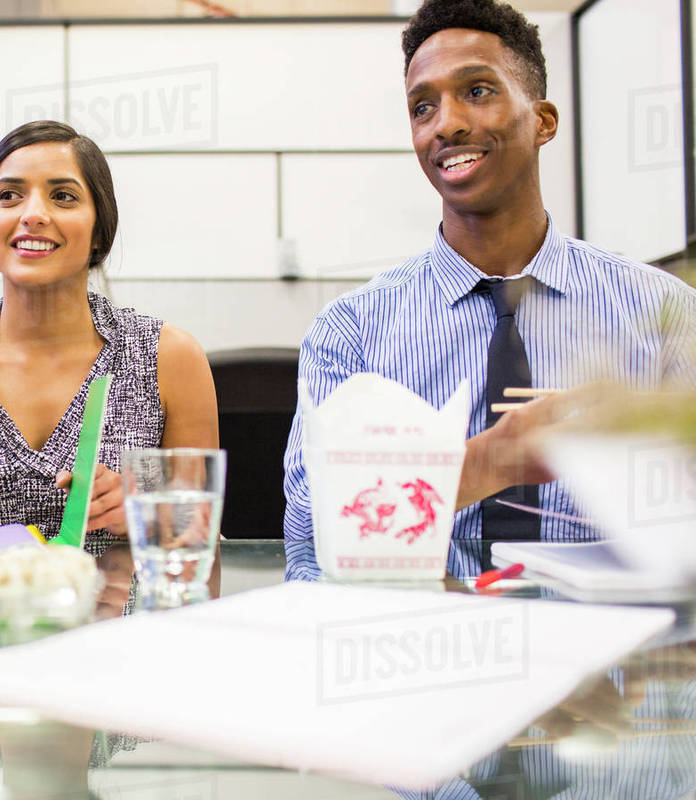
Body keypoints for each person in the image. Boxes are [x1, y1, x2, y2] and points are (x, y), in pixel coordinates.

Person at [283, 0, 696, 581]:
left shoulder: (662, 310)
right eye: (422, 107)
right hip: (418, 646)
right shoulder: (351, 329)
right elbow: (308, 539)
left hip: (617, 649)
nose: (446, 123)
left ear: (544, 121)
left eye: (477, 91)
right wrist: (484, 463)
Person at [0, 120, 221, 593]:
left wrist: (145, 511)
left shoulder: (169, 358)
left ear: (100, 229)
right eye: (9, 196)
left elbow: (201, 540)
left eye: (63, 196)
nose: (33, 214)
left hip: (121, 650)